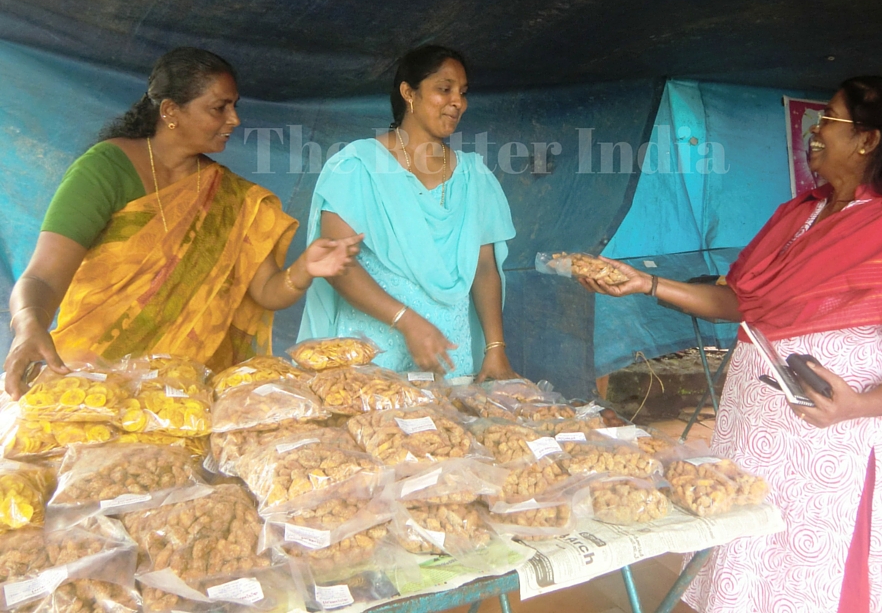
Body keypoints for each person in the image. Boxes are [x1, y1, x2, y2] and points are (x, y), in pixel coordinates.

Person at [582, 76, 882, 613]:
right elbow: (741, 304)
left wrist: (860, 405)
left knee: (813, 582)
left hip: (831, 449)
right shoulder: (800, 214)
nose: (814, 132)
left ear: (868, 139)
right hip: (753, 437)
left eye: (830, 121)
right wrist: (644, 282)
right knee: (746, 571)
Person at [5, 47, 362, 398]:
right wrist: (29, 323)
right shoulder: (105, 169)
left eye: (234, 106)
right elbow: (42, 277)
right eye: (219, 108)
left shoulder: (233, 197)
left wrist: (303, 269)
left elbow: (267, 291)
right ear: (171, 111)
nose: (234, 119)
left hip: (183, 395)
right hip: (89, 383)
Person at [298, 44, 516, 381]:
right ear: (408, 93)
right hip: (371, 359)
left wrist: (496, 347)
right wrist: (406, 321)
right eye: (444, 90)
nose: (457, 101)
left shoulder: (474, 176)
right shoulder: (357, 167)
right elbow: (338, 265)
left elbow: (484, 268)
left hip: (450, 357)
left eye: (463, 92)